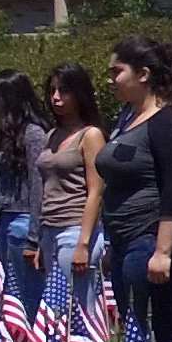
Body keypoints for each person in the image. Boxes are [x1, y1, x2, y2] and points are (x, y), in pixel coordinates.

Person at [98, 35, 172, 342]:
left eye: (117, 72)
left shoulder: (169, 123)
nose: (110, 79)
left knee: (160, 337)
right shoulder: (126, 119)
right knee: (135, 335)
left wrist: (162, 252)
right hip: (123, 242)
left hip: (151, 242)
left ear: (143, 74)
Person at [0, 69, 52, 321]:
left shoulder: (33, 134)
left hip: (24, 221)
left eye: (0, 98)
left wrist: (35, 236)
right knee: (11, 296)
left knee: (27, 297)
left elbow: (38, 184)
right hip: (5, 220)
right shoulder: (8, 135)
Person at [40, 62, 108, 279]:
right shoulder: (52, 135)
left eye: (64, 91)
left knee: (75, 307)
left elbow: (96, 191)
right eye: (52, 91)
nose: (56, 98)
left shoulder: (90, 135)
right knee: (53, 310)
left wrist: (84, 243)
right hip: (49, 228)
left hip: (75, 229)